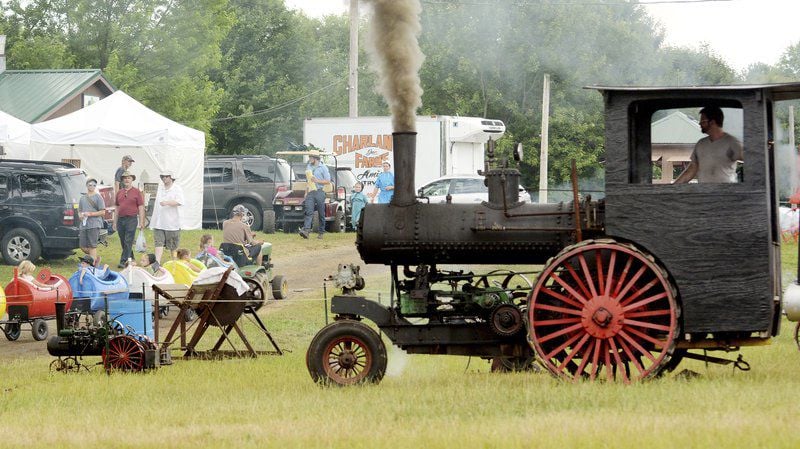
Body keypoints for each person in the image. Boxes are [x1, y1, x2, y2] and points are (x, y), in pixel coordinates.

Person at [674, 106, 744, 184]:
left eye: (703, 121)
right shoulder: (701, 144)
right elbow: (692, 169)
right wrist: (672, 188)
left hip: (726, 194)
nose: (700, 123)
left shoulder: (732, 142)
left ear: (712, 122)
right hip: (705, 194)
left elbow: (752, 160)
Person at [150, 170, 185, 263]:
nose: (164, 178)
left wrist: (167, 202)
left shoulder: (177, 188)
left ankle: (175, 263)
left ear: (171, 177)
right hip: (159, 222)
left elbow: (180, 202)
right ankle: (157, 263)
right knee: (158, 243)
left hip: (172, 223)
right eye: (162, 176)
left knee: (173, 247)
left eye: (166, 176)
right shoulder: (160, 188)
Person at [113, 171, 146, 269]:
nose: (127, 179)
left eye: (129, 178)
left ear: (132, 180)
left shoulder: (137, 192)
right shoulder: (119, 192)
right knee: (123, 241)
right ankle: (131, 258)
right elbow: (117, 208)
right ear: (123, 180)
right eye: (125, 178)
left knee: (128, 240)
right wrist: (114, 222)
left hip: (131, 219)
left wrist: (142, 222)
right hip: (120, 220)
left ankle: (123, 261)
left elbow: (141, 207)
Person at [298, 151, 331, 239]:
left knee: (321, 213)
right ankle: (306, 231)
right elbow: (308, 181)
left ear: (315, 158)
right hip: (310, 192)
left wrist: (317, 181)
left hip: (320, 191)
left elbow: (328, 181)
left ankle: (321, 232)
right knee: (309, 211)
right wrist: (306, 192)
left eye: (310, 158)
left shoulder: (323, 167)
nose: (309, 159)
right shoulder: (309, 166)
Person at [78, 178, 106, 263]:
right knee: (82, 246)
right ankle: (95, 258)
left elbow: (103, 212)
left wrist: (91, 214)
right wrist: (80, 216)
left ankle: (92, 264)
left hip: (94, 224)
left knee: (92, 245)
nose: (92, 186)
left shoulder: (98, 197)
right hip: (84, 224)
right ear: (87, 185)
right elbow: (79, 210)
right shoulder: (82, 198)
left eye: (94, 185)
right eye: (90, 185)